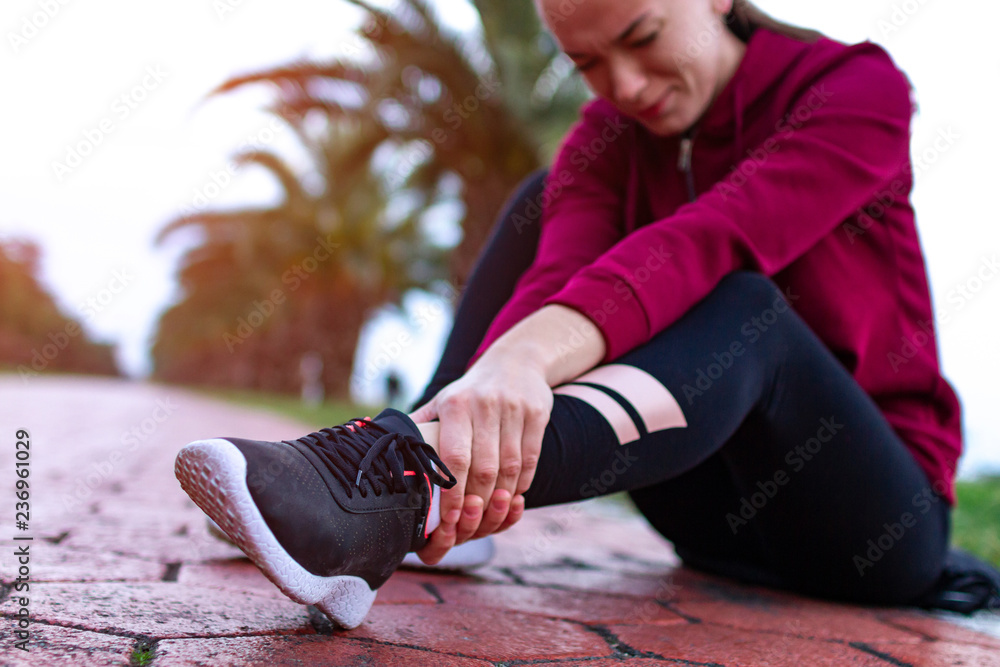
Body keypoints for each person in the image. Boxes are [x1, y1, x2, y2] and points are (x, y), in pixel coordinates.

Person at [174, 0, 984, 630]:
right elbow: (558, 272)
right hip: (705, 516)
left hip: (867, 522)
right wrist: (497, 373)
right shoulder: (610, 135)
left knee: (748, 311)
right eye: (588, 63)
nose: (624, 86)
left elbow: (717, 236)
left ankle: (407, 483)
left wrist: (527, 361)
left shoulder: (852, 90)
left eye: (641, 35)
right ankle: (409, 478)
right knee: (540, 204)